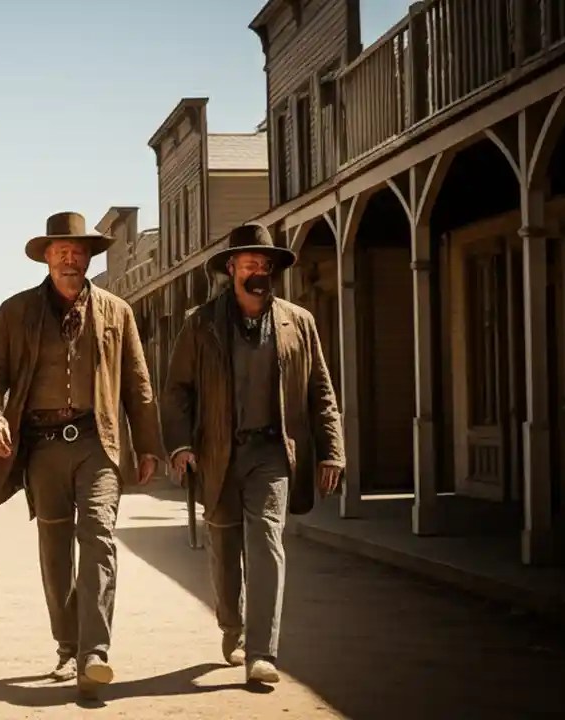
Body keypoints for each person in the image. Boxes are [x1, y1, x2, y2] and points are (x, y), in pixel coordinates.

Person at [0, 211, 165, 698]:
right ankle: (67, 645)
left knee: (98, 535)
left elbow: (138, 384)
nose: (70, 259)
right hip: (40, 446)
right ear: (46, 258)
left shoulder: (117, 312)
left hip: (96, 442)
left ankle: (95, 651)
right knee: (55, 549)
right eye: (61, 252)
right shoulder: (15, 311)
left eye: (78, 252)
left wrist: (148, 446)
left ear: (89, 258)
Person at [160, 224, 345, 685]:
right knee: (224, 548)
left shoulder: (297, 323)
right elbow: (177, 391)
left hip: (272, 453)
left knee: (266, 543)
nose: (259, 271)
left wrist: (332, 450)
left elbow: (321, 390)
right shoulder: (200, 323)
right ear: (231, 269)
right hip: (218, 454)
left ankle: (262, 652)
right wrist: (180, 445)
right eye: (249, 264)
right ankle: (231, 624)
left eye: (265, 264)